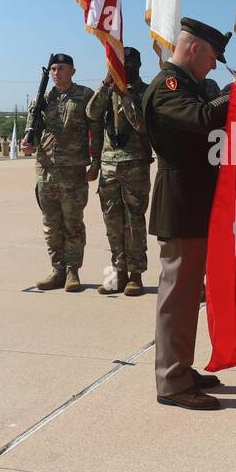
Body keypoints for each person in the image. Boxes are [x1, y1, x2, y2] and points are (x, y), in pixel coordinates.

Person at [142, 18, 236, 410]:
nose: (214, 67)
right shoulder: (167, 87)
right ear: (195, 49)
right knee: (177, 296)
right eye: (212, 58)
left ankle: (181, 368)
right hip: (180, 202)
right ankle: (171, 381)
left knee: (189, 295)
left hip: (195, 200)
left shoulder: (186, 85)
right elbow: (202, 119)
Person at [28, 53, 100, 292]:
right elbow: (34, 131)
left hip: (73, 170)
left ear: (72, 72)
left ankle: (72, 272)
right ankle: (57, 270)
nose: (56, 73)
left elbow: (96, 130)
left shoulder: (84, 96)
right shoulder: (41, 100)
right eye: (53, 69)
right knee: (51, 224)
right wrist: (28, 143)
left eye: (61, 69)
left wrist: (96, 162)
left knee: (73, 224)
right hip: (46, 169)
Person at [85, 46, 152, 297]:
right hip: (109, 166)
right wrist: (106, 85)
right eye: (119, 64)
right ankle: (119, 272)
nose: (125, 68)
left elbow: (141, 125)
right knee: (112, 221)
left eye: (129, 63)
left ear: (138, 65)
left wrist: (125, 95)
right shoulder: (107, 90)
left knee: (134, 221)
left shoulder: (146, 92)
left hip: (135, 164)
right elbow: (91, 112)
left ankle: (136, 274)